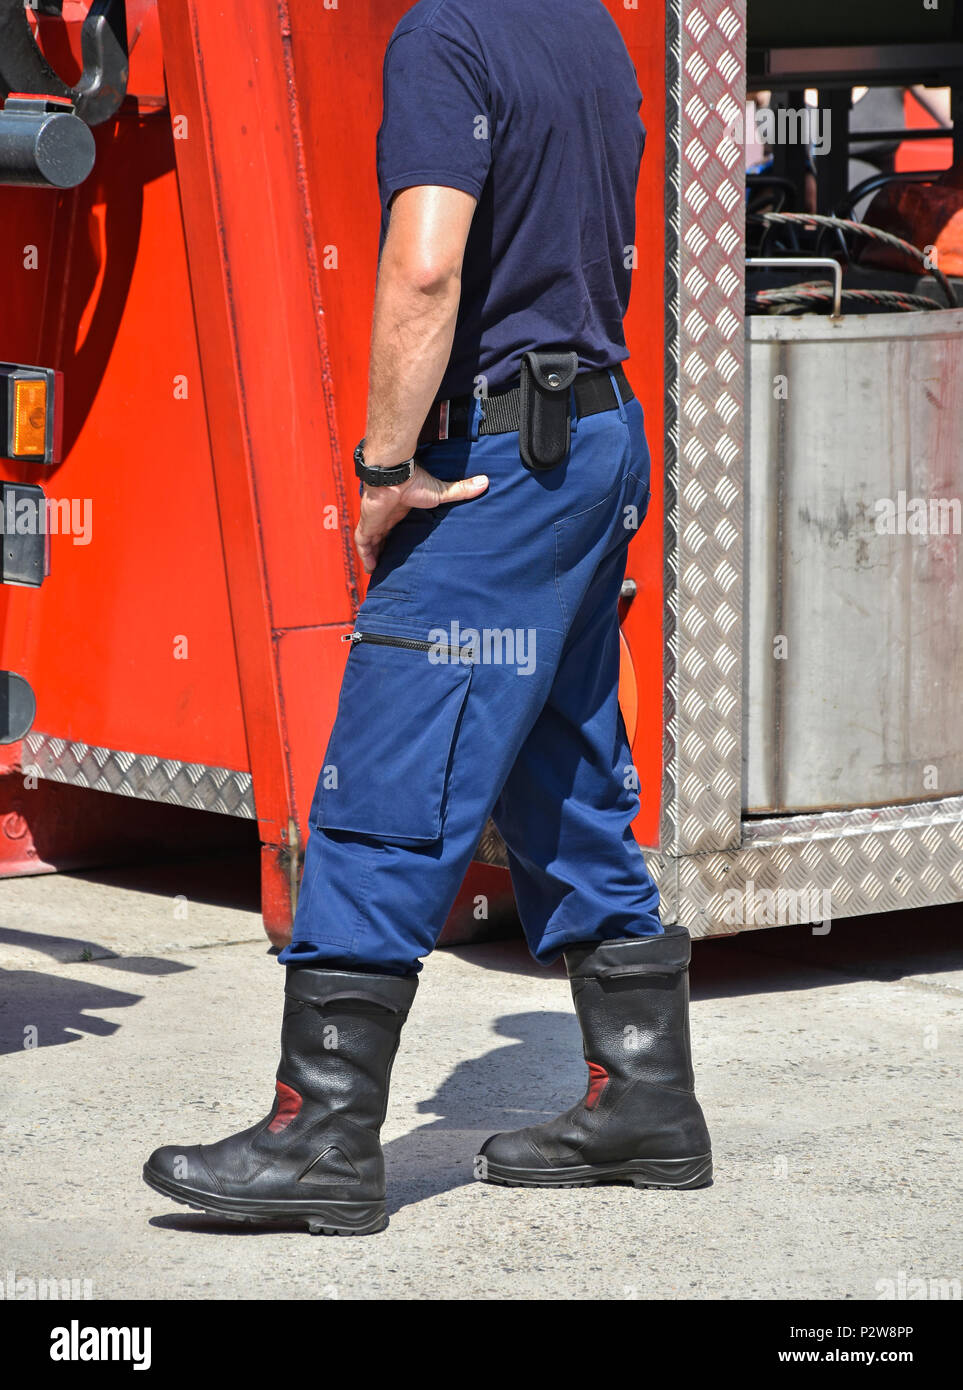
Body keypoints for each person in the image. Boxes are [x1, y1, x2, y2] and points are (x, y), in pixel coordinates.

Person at [143, 0, 711, 1236]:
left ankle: (323, 1133)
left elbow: (426, 260)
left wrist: (384, 466)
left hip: (494, 459)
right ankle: (646, 1099)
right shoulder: (589, 33)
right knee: (560, 767)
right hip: (597, 435)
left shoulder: (443, 35)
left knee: (390, 773)